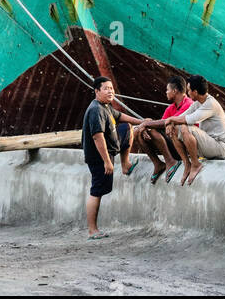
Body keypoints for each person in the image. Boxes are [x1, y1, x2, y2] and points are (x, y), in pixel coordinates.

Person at [82, 75, 136, 238]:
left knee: (127, 128)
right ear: (97, 91)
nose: (110, 91)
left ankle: (125, 164)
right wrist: (107, 162)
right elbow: (97, 137)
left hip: (108, 151)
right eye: (106, 88)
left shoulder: (105, 106)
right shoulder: (96, 110)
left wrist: (142, 121)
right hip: (98, 157)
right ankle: (92, 230)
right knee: (97, 190)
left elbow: (120, 117)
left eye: (111, 88)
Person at [164, 74, 225, 185]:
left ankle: (195, 164)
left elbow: (190, 119)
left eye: (189, 91)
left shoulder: (210, 104)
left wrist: (170, 119)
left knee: (186, 127)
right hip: (208, 144)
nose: (187, 93)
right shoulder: (198, 103)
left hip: (219, 147)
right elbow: (183, 116)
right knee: (175, 128)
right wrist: (171, 123)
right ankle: (187, 164)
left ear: (195, 92)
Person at [132, 74, 192, 184]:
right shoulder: (171, 108)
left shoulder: (189, 104)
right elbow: (161, 124)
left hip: (184, 145)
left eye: (167, 89)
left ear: (174, 91)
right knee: (137, 132)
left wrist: (146, 124)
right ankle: (158, 164)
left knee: (151, 129)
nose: (166, 92)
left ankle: (170, 161)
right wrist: (145, 127)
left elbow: (166, 122)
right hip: (172, 143)